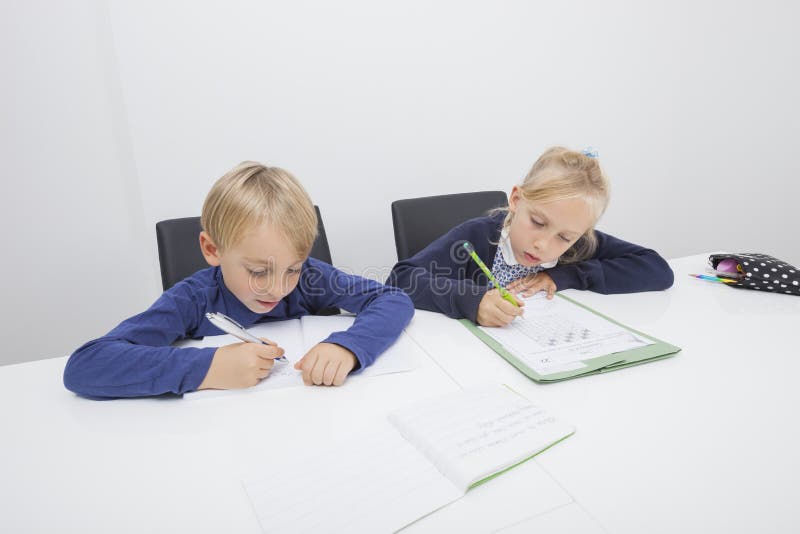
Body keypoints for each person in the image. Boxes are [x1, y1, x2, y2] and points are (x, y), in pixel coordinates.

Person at [64, 161, 414, 398]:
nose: (278, 288)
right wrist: (209, 367)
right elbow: (86, 365)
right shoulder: (192, 299)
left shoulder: (310, 278)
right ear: (212, 249)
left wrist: (348, 346)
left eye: (292, 268)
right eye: (259, 272)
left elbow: (393, 299)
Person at [387, 146, 673, 327]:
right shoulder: (477, 235)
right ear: (516, 199)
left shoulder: (578, 243)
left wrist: (565, 277)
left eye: (565, 238)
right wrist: (473, 301)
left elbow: (657, 269)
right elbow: (402, 279)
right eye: (537, 222)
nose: (543, 244)